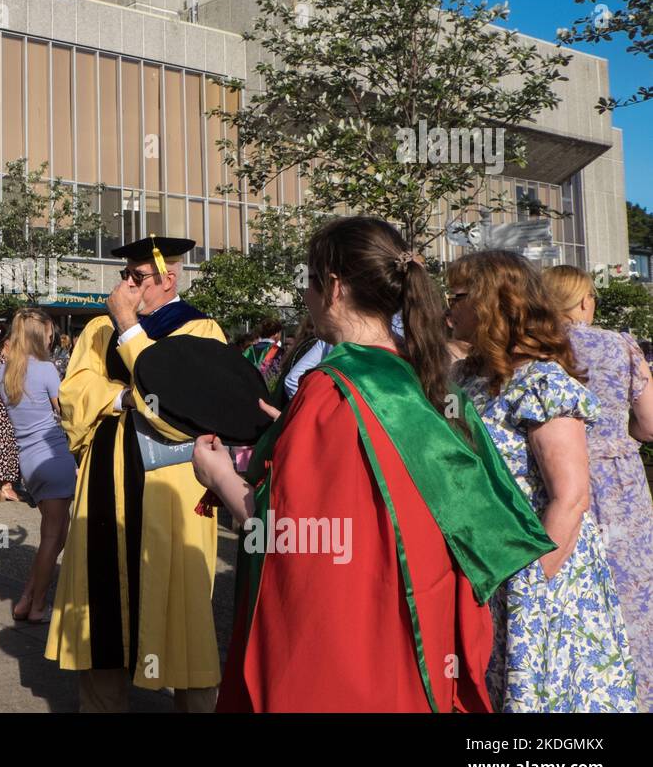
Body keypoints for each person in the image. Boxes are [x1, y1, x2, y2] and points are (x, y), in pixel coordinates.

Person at [192, 217, 554, 712]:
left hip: (350, 636)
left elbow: (280, 531)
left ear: (335, 288)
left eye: (310, 283)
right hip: (419, 622)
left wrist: (219, 475)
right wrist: (298, 435)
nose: (307, 297)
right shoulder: (428, 381)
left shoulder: (331, 388)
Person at [448, 251, 636, 712]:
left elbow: (570, 498)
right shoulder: (471, 379)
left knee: (548, 693)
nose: (447, 306)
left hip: (540, 568)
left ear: (492, 302)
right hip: (494, 565)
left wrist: (533, 584)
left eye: (457, 295)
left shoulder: (541, 381)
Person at [48, 234, 228, 712]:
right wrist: (122, 397)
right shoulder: (97, 331)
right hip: (105, 484)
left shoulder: (200, 330)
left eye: (138, 277)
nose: (126, 285)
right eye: (124, 275)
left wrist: (129, 329)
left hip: (172, 494)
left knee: (183, 612)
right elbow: (73, 395)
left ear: (168, 280)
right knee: (102, 616)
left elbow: (180, 404)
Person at [543, 265, 653, 711]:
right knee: (633, 595)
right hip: (621, 485)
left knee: (566, 595)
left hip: (554, 482)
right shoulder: (621, 345)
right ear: (586, 301)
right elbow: (649, 425)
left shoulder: (534, 351)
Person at [0, 309, 77, 622]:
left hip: (28, 462)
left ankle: (28, 597)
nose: (51, 337)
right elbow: (65, 412)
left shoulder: (6, 374)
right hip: (53, 455)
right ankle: (38, 604)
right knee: (54, 537)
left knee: (53, 535)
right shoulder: (45, 369)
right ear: (35, 335)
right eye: (47, 333)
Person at [0, 324, 23, 502]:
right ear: (7, 342)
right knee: (7, 444)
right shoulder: (7, 361)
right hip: (5, 408)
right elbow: (10, 386)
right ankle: (7, 487)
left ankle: (0, 485)